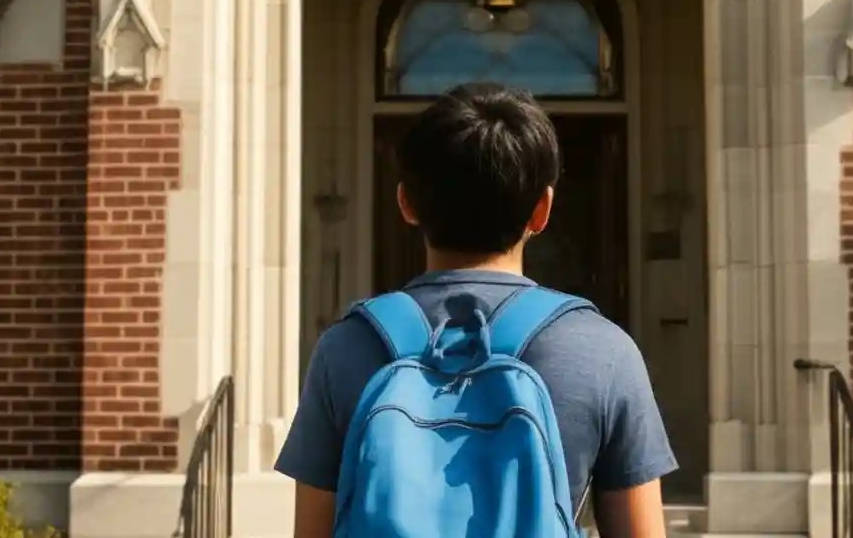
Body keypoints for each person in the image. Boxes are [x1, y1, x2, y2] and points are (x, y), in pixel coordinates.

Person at [275, 83, 676, 537]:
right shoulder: (604, 351)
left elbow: (311, 531)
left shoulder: (346, 346)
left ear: (406, 203)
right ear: (542, 210)